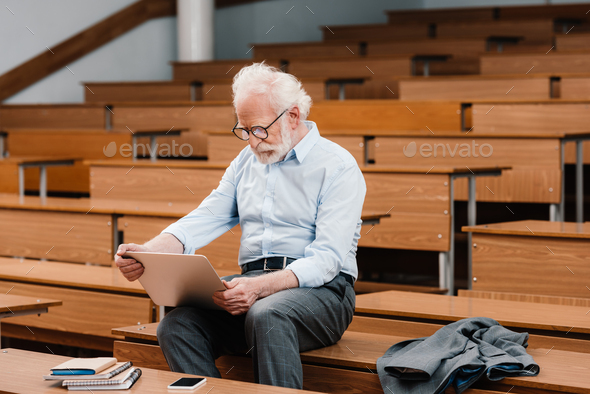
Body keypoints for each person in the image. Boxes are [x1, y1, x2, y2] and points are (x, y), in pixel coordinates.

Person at [115, 62, 366, 389]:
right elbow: (206, 217)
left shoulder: (338, 166)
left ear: (293, 116)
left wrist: (260, 289)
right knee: (176, 325)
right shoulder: (246, 162)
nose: (251, 142)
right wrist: (147, 252)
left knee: (269, 315)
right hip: (253, 287)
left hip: (325, 295)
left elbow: (328, 260)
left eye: (259, 129)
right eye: (243, 130)